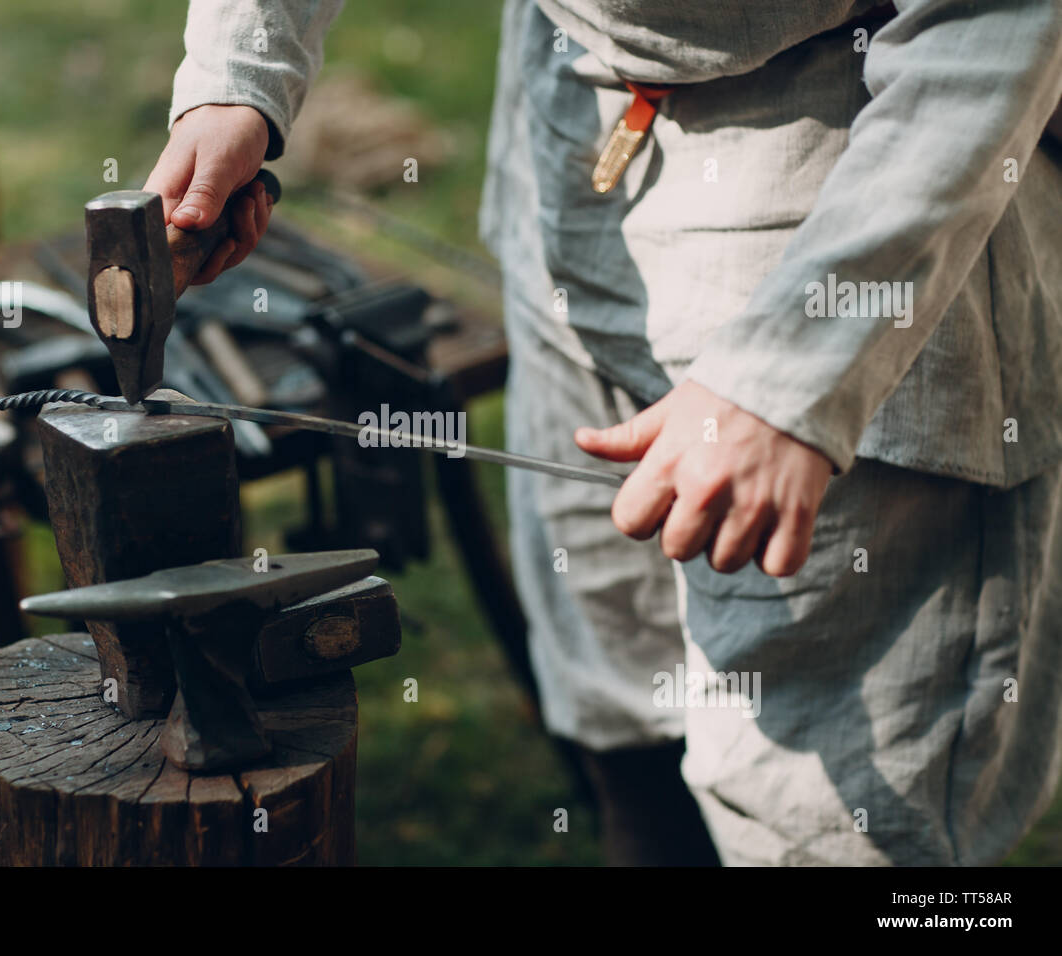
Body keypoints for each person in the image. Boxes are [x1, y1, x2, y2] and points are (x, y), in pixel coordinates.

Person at [145, 0, 1062, 865]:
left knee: (826, 813)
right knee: (619, 691)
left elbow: (992, 26)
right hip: (571, 191)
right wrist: (237, 76)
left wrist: (790, 374)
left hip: (845, 218)